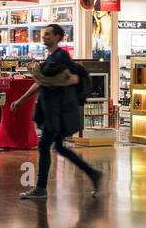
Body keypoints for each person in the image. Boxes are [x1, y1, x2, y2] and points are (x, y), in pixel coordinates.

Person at [12, 24, 103, 200]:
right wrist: (22, 100)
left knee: (44, 146)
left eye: (48, 34)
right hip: (54, 110)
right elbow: (42, 82)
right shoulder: (54, 56)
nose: (44, 37)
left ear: (58, 37)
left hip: (57, 111)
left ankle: (41, 188)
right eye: (44, 34)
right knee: (59, 147)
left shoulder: (61, 57)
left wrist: (54, 83)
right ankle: (93, 174)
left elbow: (70, 78)